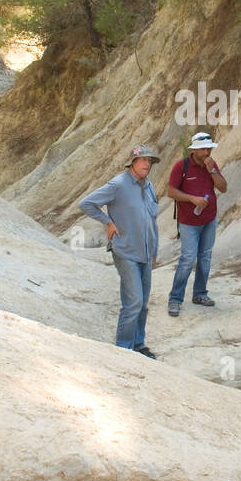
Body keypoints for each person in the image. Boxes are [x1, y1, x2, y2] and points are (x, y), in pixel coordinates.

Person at [79, 143, 161, 358]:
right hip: (125, 250)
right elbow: (87, 203)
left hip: (145, 252)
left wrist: (154, 251)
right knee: (133, 301)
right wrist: (107, 221)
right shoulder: (118, 184)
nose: (147, 163)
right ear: (132, 162)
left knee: (143, 303)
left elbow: (152, 221)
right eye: (143, 159)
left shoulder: (149, 186)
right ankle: (123, 349)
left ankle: (138, 344)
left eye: (149, 160)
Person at [166, 132, 227, 316]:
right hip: (188, 222)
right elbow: (171, 192)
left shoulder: (212, 165)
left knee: (205, 258)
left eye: (209, 149)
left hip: (209, 218)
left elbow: (223, 187)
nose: (207, 152)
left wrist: (213, 171)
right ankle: (175, 299)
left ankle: (200, 294)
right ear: (194, 150)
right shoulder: (181, 166)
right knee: (188, 259)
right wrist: (192, 199)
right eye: (203, 149)